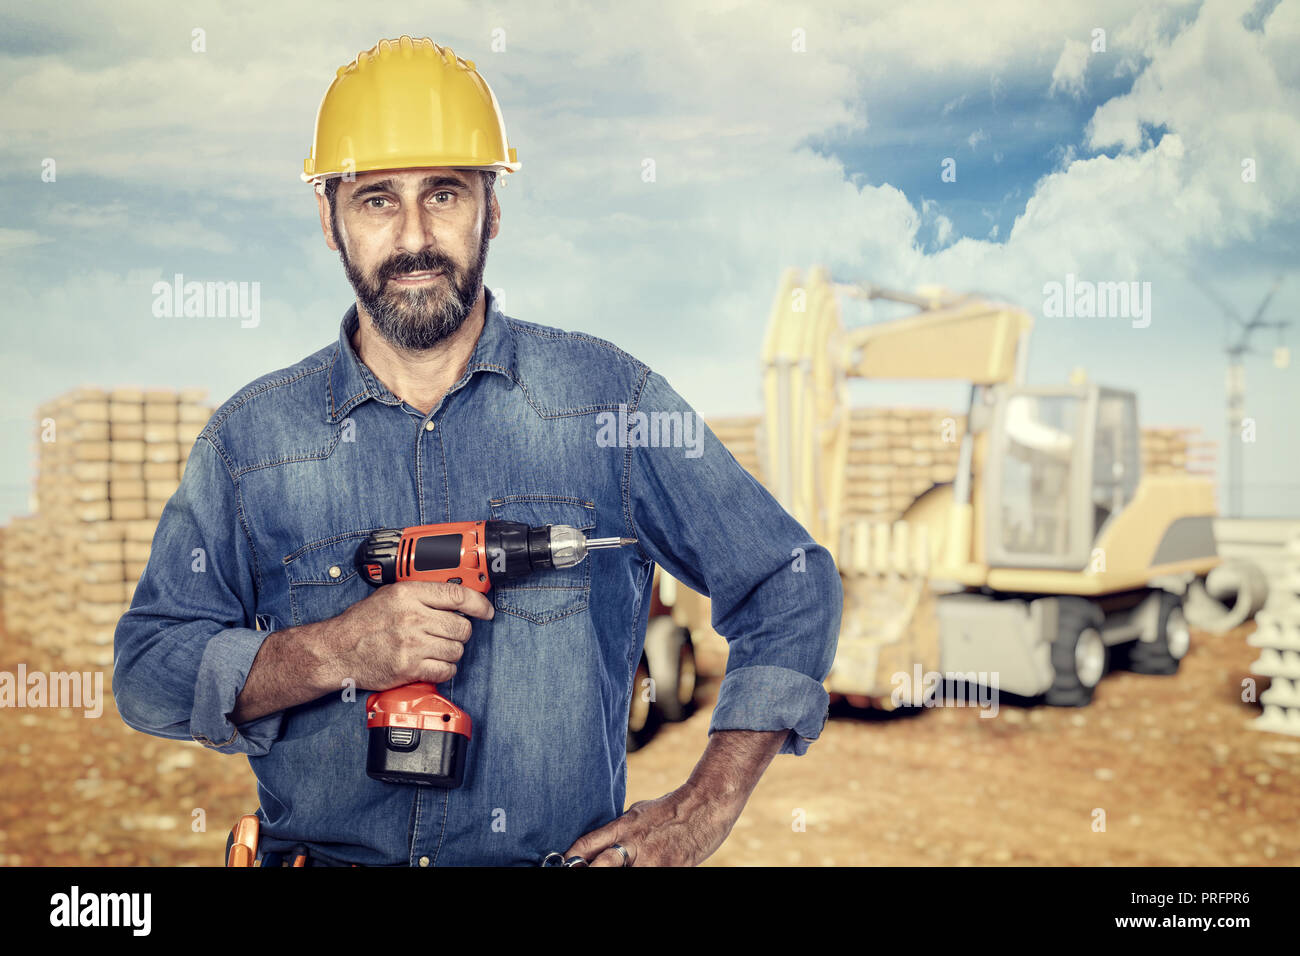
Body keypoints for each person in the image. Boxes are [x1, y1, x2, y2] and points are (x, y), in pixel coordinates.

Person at [113, 35, 841, 867]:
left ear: (493, 208)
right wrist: (329, 652)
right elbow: (147, 669)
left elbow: (791, 583)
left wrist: (702, 809)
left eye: (446, 194)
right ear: (328, 219)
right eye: (377, 199)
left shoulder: (611, 403)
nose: (415, 236)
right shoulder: (250, 442)